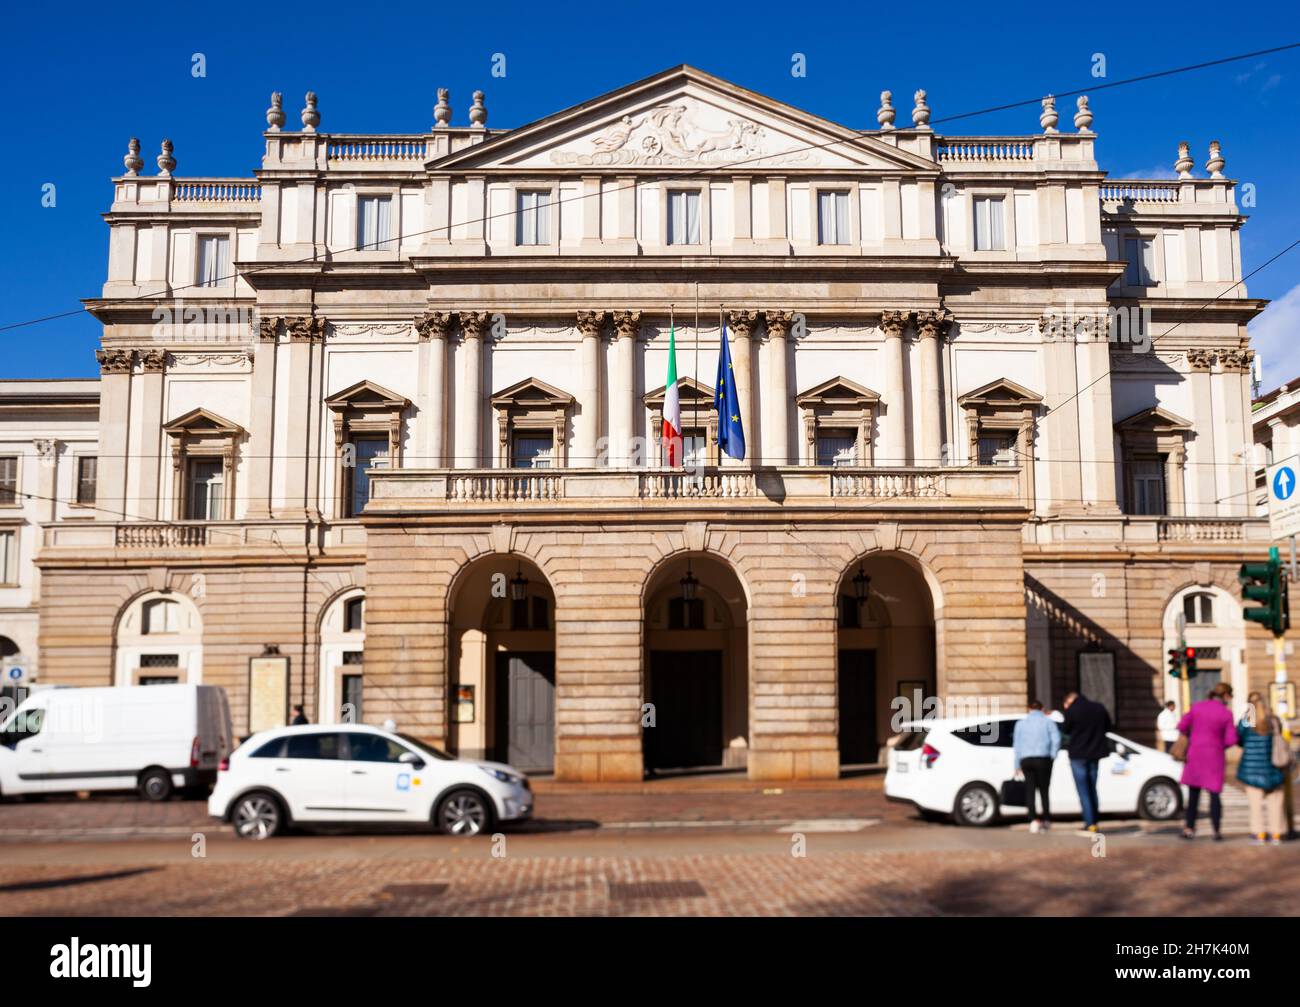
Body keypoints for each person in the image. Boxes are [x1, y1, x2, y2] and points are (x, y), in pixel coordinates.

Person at [1177, 681, 1238, 841]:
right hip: (1214, 757)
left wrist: (1193, 737)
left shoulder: (1197, 707)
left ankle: (1189, 829)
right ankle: (1216, 831)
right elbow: (1232, 739)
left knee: (1193, 795)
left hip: (1196, 754)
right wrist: (1219, 744)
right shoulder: (1226, 713)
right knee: (1214, 795)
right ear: (1225, 696)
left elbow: (1182, 725)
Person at [1237, 692, 1285, 845]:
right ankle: (1276, 834)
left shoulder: (1247, 721)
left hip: (1252, 770)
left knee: (1255, 805)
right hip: (1273, 768)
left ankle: (1259, 834)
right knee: (1275, 803)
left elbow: (1239, 738)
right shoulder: (1273, 720)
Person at [1061, 691, 1111, 833]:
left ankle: (1090, 823)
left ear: (1070, 701)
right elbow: (1108, 727)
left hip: (1078, 754)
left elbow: (1065, 730)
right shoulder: (1099, 707)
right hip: (1095, 753)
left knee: (1084, 791)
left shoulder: (1072, 710)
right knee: (1092, 788)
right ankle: (1094, 821)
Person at [1013, 699, 1061, 833]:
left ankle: (1033, 820)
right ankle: (1046, 819)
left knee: (1030, 790)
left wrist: (1016, 764)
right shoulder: (1048, 722)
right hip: (1043, 759)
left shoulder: (1021, 724)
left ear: (1029, 709)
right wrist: (1052, 755)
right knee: (1044, 791)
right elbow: (1056, 740)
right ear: (1042, 709)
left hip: (1026, 759)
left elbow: (1017, 745)